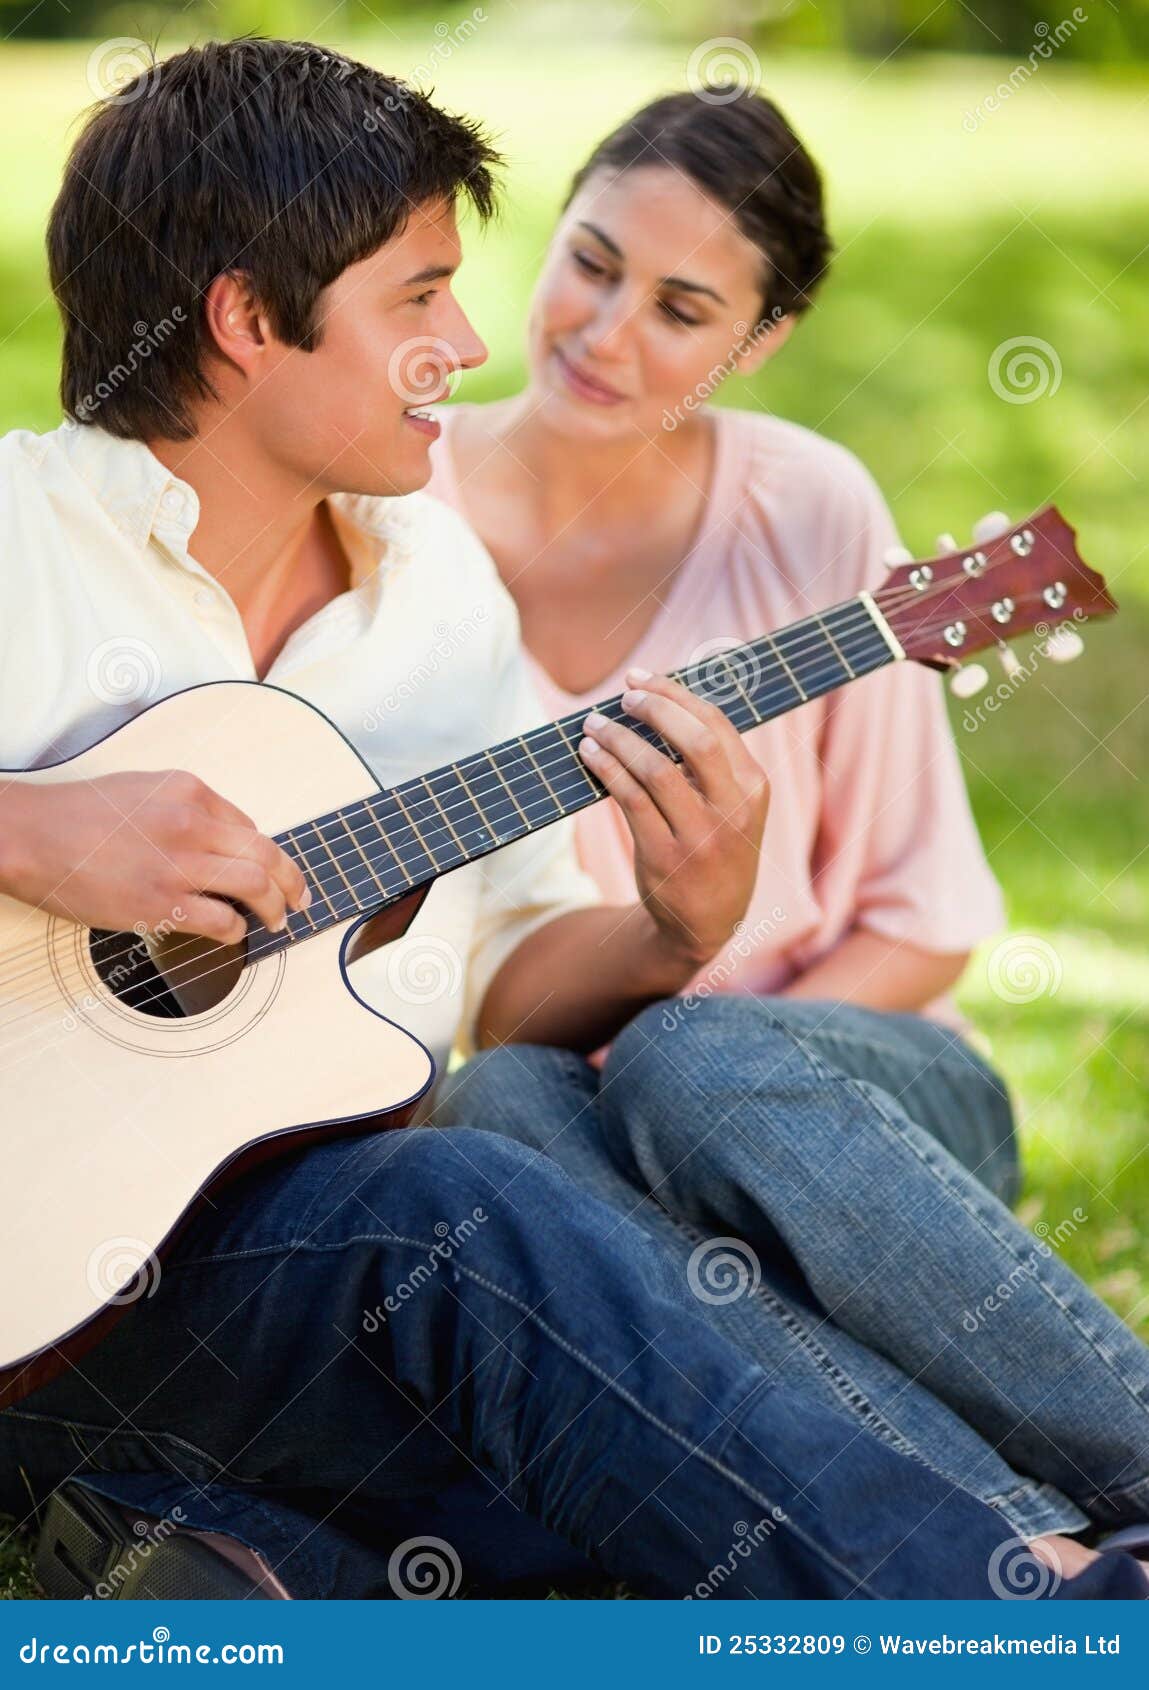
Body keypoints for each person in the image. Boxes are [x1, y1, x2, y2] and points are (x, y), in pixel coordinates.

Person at [0, 38, 1141, 1603]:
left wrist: (676, 925)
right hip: (53, 1313)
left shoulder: (435, 599)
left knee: (587, 1391)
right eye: (417, 298)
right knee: (463, 1215)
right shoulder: (20, 543)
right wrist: (26, 831)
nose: (471, 342)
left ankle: (216, 1547)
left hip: (250, 1286)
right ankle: (1016, 1606)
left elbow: (508, 980)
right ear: (250, 321)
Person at [424, 85, 1149, 1569]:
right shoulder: (395, 503)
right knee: (490, 1112)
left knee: (696, 1055)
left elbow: (925, 921)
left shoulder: (810, 510)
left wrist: (699, 1092)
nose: (606, 332)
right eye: (592, 260)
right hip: (570, 1108)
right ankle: (1049, 1568)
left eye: (683, 309)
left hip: (856, 1118)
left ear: (757, 344)